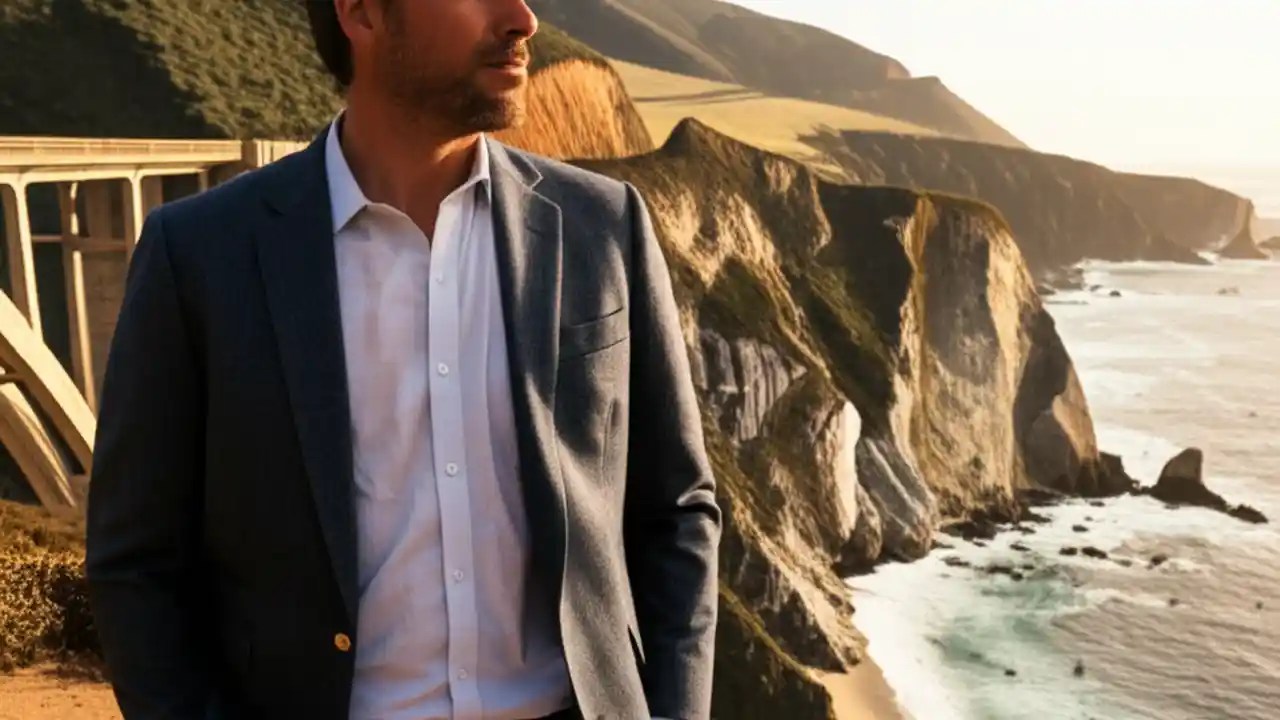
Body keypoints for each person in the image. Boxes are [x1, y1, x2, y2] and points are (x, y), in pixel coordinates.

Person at [83, 0, 721, 718]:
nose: (523, 19)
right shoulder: (200, 254)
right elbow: (136, 562)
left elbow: (677, 511)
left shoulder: (604, 224)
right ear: (360, 13)